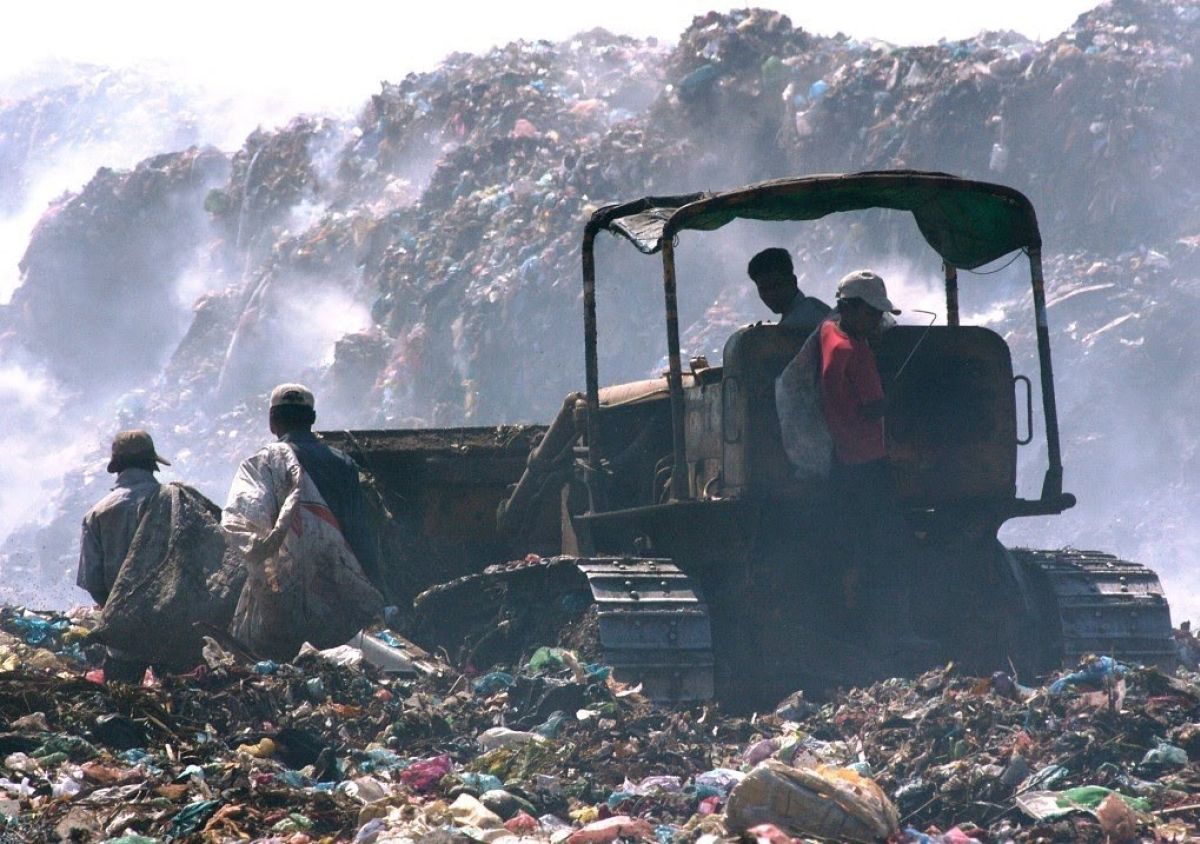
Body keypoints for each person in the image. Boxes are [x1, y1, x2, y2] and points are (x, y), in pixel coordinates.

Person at [818, 270, 934, 656]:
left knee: (850, 544)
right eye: (870, 313)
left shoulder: (828, 334)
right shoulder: (855, 351)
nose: (875, 321)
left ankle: (850, 625)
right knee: (890, 546)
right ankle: (890, 629)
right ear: (850, 308)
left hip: (843, 461)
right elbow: (872, 408)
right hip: (867, 462)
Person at [222, 384, 383, 659]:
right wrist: (374, 587)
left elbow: (244, 527)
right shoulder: (342, 464)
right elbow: (360, 533)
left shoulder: (262, 463)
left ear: (272, 421)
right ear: (312, 419)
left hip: (280, 594)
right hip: (336, 585)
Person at [77, 430, 171, 683]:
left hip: (123, 632)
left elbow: (93, 581)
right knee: (182, 703)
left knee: (121, 706)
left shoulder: (98, 513)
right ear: (153, 464)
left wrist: (117, 610)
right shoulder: (176, 503)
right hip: (174, 628)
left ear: (117, 466)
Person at [747, 247, 831, 336]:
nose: (770, 294)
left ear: (792, 281)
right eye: (763, 289)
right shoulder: (812, 306)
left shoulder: (804, 319)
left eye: (776, 286)